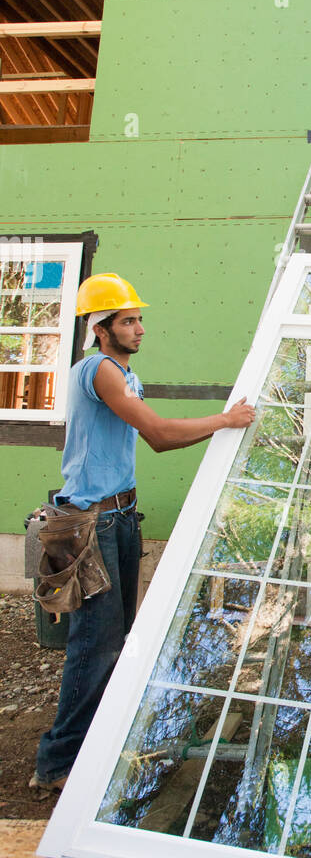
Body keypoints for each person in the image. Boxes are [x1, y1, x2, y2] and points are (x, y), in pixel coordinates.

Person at [32, 273, 255, 792]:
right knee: (96, 641)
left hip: (121, 517)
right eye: (127, 320)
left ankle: (97, 745)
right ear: (101, 329)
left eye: (139, 318)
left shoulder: (125, 375)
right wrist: (224, 420)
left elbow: (148, 439)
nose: (140, 328)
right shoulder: (99, 371)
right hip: (92, 524)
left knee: (117, 635)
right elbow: (156, 434)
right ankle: (58, 761)